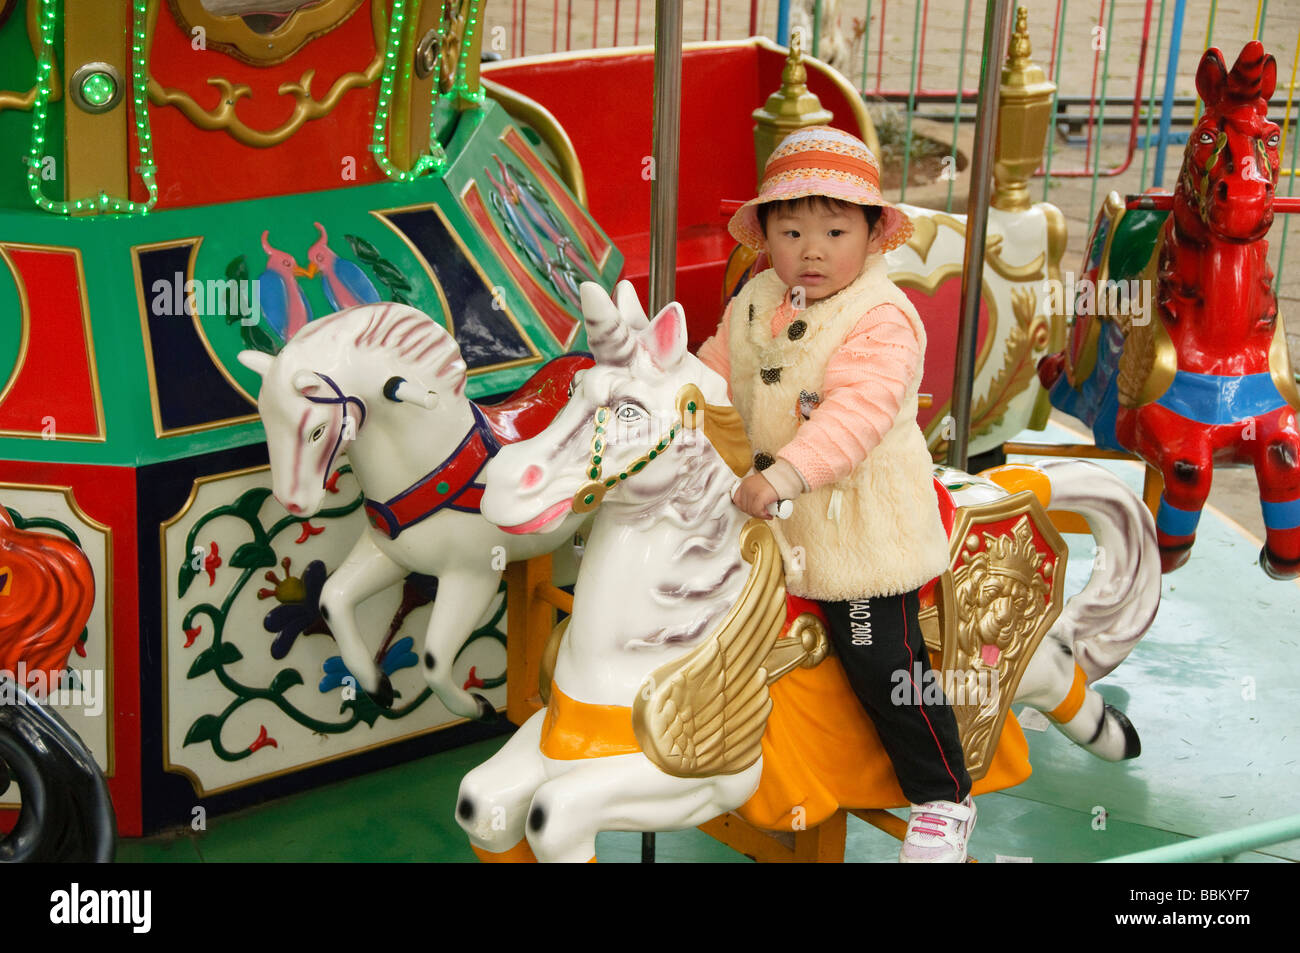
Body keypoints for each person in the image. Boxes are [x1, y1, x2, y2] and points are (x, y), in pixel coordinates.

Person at [696, 125, 975, 862]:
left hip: (855, 535)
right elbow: (711, 375)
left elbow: (854, 418)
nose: (811, 249)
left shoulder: (881, 320)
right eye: (791, 229)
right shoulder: (756, 298)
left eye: (834, 229)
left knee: (882, 657)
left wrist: (782, 476)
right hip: (761, 527)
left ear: (874, 234)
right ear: (765, 237)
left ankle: (943, 796)